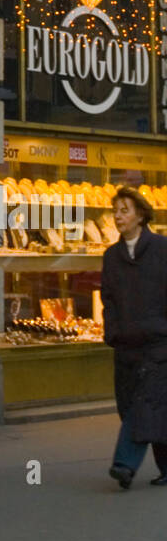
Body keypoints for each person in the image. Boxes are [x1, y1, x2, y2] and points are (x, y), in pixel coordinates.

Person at [100, 186, 167, 490]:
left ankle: (124, 465)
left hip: (158, 343)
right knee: (131, 406)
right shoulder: (111, 256)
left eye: (124, 210)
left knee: (144, 404)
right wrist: (111, 330)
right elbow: (109, 298)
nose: (117, 216)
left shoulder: (161, 249)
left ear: (140, 215)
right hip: (124, 342)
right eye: (115, 211)